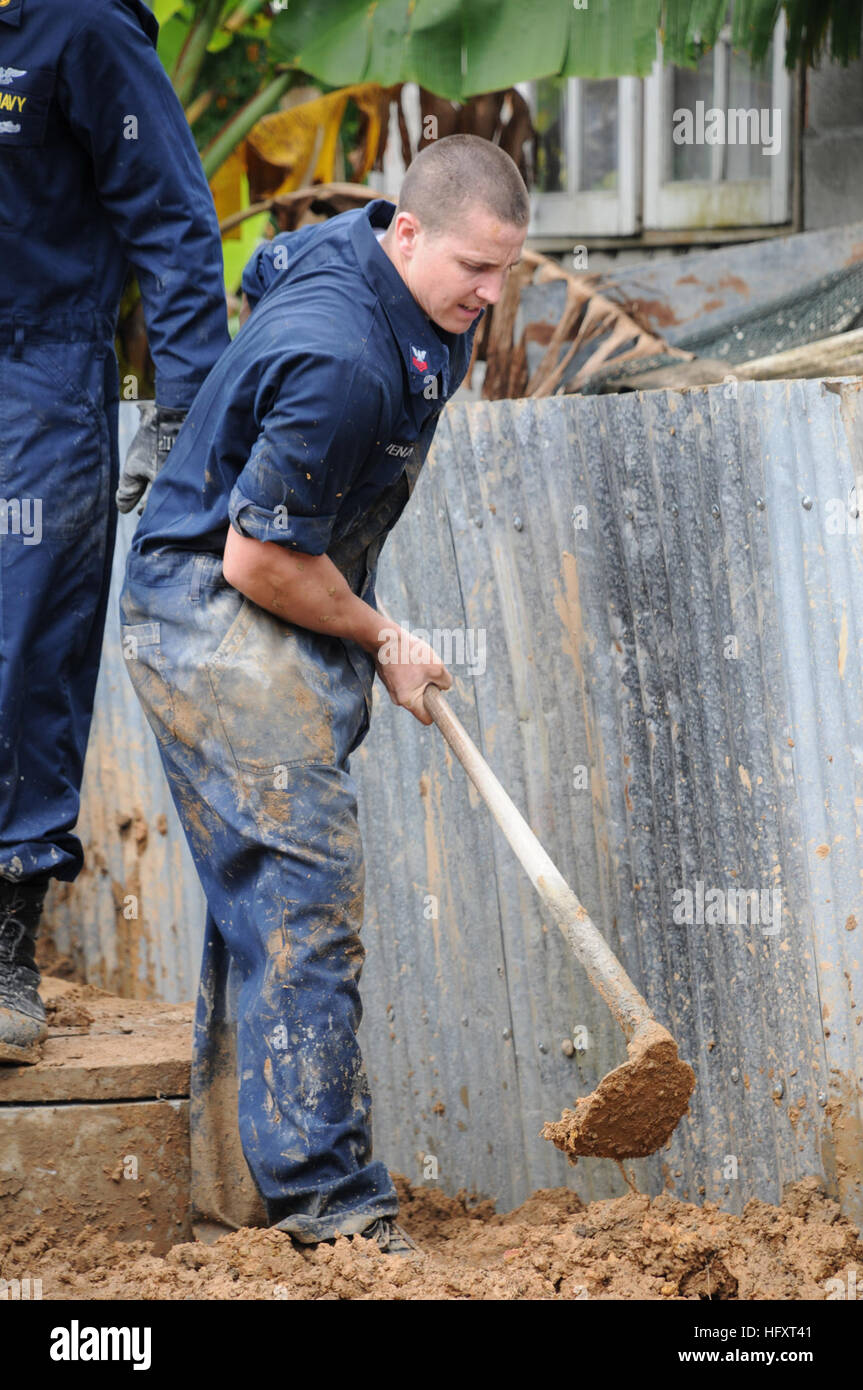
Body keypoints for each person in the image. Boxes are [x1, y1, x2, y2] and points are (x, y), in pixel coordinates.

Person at [120, 133, 528, 1253]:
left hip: (277, 593)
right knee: (303, 898)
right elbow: (257, 560)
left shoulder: (383, 268)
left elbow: (274, 265)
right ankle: (332, 1210)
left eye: (504, 272)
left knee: (266, 900)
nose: (488, 298)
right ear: (405, 233)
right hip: (211, 605)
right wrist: (382, 634)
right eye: (471, 273)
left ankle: (235, 1198)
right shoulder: (342, 362)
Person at [0, 0, 230, 1062]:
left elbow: (173, 214)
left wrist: (184, 404)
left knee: (24, 647)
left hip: (39, 377)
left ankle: (6, 953)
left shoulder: (82, 27)